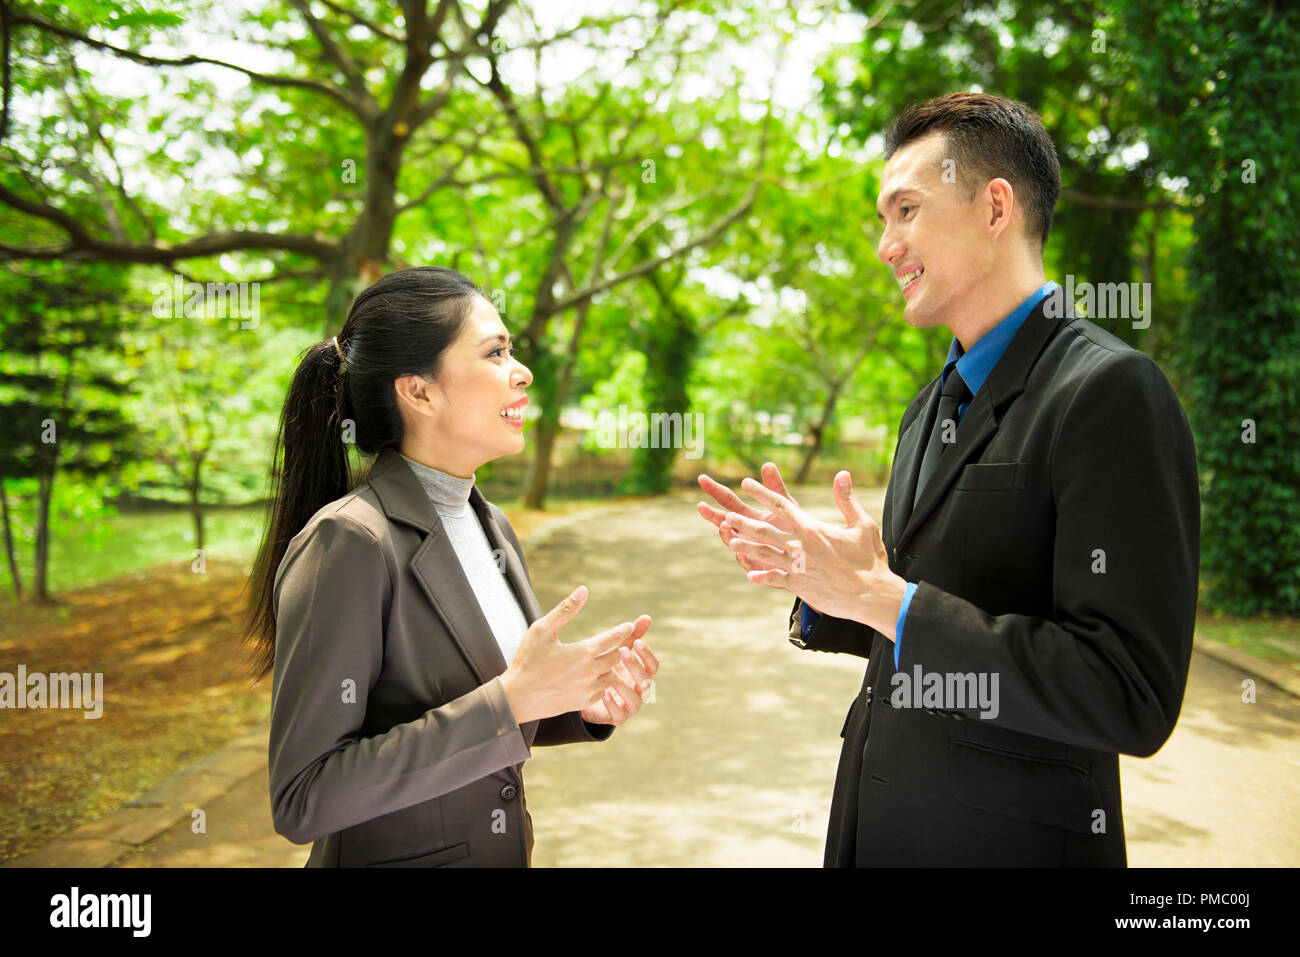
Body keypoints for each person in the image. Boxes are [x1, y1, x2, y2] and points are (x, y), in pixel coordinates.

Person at [697, 92, 1199, 866]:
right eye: (882, 218)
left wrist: (885, 598)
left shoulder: (1108, 391)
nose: (884, 245)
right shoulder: (927, 406)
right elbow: (921, 610)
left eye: (906, 210)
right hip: (876, 825)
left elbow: (1127, 689)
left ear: (995, 206)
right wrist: (826, 586)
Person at [243, 265, 659, 867]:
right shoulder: (350, 541)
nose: (523, 372)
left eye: (511, 349)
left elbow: (493, 699)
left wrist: (578, 704)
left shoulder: (489, 524)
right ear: (419, 391)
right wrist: (511, 701)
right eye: (494, 353)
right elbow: (304, 798)